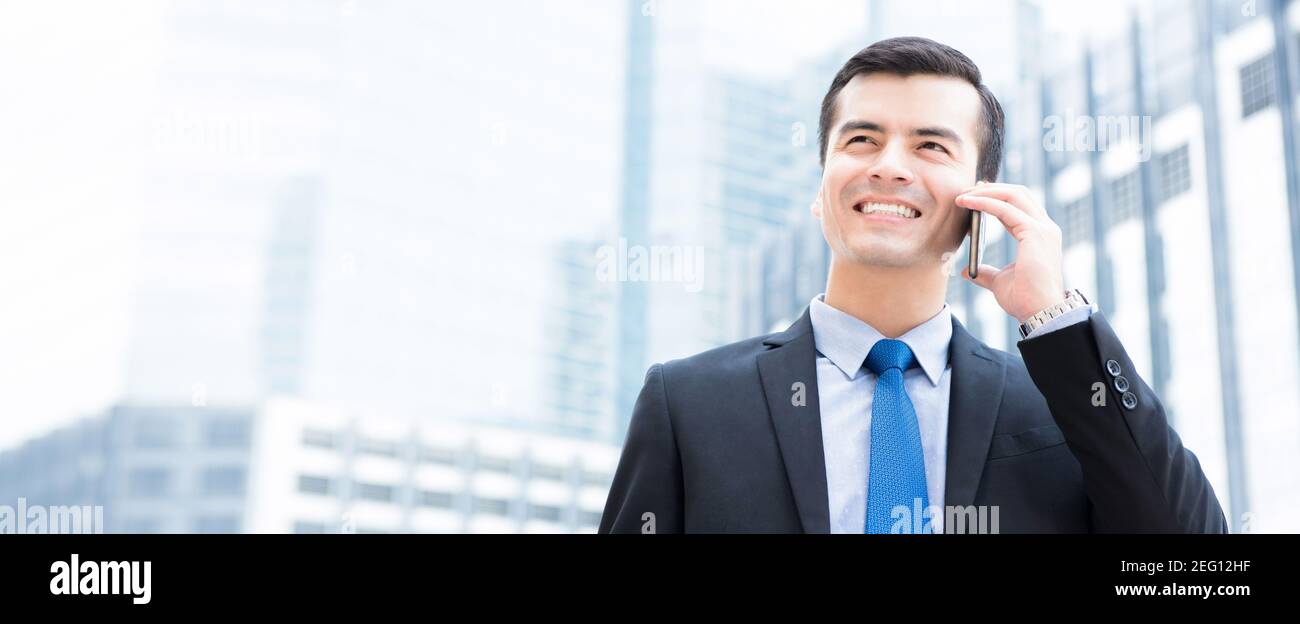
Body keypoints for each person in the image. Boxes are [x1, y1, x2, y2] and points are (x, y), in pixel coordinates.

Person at [598, 36, 1227, 534]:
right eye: (862, 139)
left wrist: (1054, 315)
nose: (889, 166)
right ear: (821, 189)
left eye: (930, 146)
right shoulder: (687, 403)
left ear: (980, 202)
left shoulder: (1057, 407)